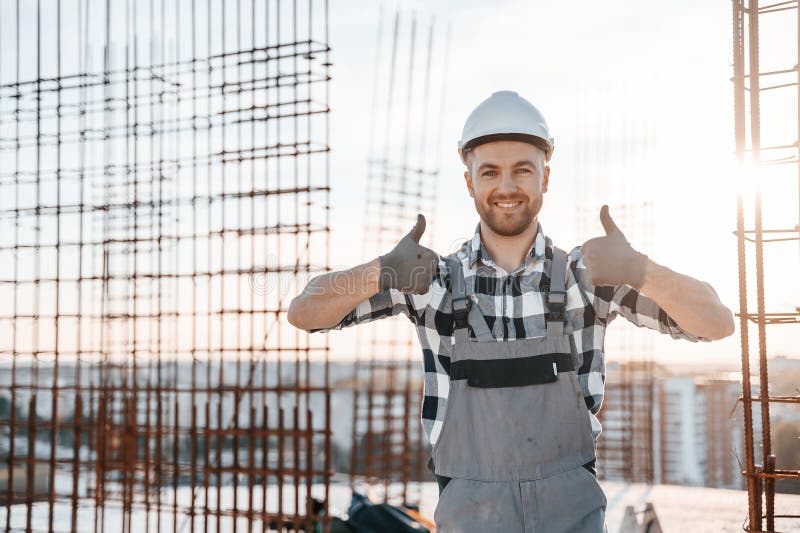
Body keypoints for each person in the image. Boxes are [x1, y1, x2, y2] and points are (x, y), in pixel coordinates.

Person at [287, 90, 735, 532]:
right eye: (489, 172)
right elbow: (305, 311)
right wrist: (381, 271)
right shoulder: (430, 282)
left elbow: (716, 322)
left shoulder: (588, 278)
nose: (506, 187)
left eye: (523, 170)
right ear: (469, 182)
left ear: (546, 176)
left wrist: (641, 270)